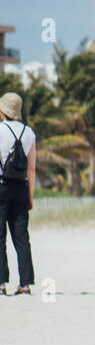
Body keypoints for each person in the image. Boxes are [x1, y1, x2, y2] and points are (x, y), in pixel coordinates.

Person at [0, 92, 37, 296]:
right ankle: (25, 283)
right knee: (22, 237)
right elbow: (31, 168)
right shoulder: (29, 133)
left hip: (2, 186)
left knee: (0, 237)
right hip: (21, 189)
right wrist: (30, 196)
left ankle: (1, 283)